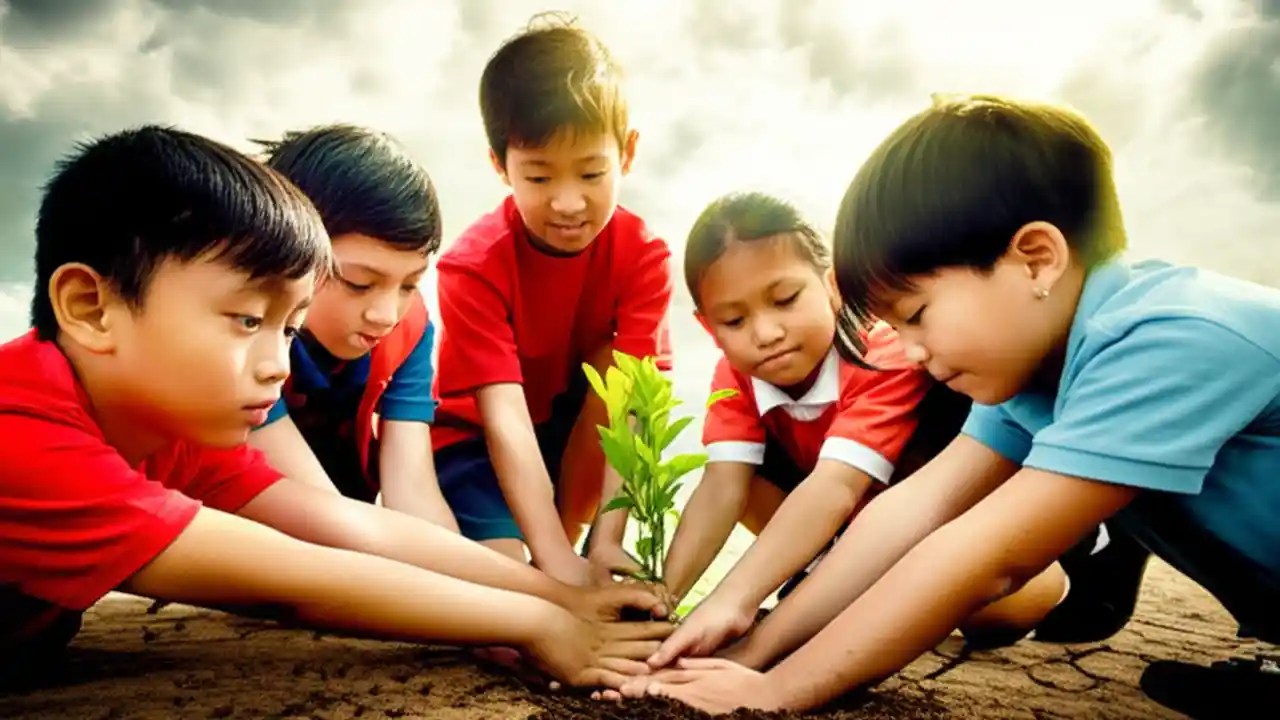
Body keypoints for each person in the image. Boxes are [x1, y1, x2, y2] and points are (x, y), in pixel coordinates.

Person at [628, 95, 1277, 715]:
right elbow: (912, 512)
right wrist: (758, 646)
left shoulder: (1168, 338)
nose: (907, 352)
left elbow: (986, 554)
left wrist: (780, 690)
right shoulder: (1035, 375)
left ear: (1037, 259)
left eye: (915, 315)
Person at [0, 126, 670, 689]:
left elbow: (349, 527)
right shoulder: (19, 437)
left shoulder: (176, 435)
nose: (278, 363)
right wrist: (536, 622)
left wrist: (563, 596)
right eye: (244, 320)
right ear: (91, 307)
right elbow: (291, 578)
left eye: (287, 328)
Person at [432, 13, 674, 587]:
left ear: (628, 154)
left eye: (591, 172)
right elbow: (504, 421)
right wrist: (553, 563)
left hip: (569, 441)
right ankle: (538, 556)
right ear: (500, 165)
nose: (569, 202)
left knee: (620, 371)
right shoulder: (474, 266)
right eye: (539, 178)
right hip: (479, 445)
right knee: (510, 582)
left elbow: (633, 406)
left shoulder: (643, 257)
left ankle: (565, 549)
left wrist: (605, 541)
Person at [647, 191, 936, 617]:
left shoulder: (883, 353)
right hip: (826, 530)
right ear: (709, 329)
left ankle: (851, 583)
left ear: (834, 285)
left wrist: (733, 602)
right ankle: (821, 572)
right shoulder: (737, 375)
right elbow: (721, 488)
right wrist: (660, 601)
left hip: (916, 529)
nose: (765, 333)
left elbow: (837, 487)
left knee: (1019, 605)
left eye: (785, 300)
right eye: (734, 321)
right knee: (735, 474)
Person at [248, 124, 457, 530]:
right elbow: (320, 513)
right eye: (359, 283)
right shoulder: (246, 333)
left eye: (409, 284)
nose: (385, 314)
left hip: (349, 523)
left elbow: (413, 491)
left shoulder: (407, 331)